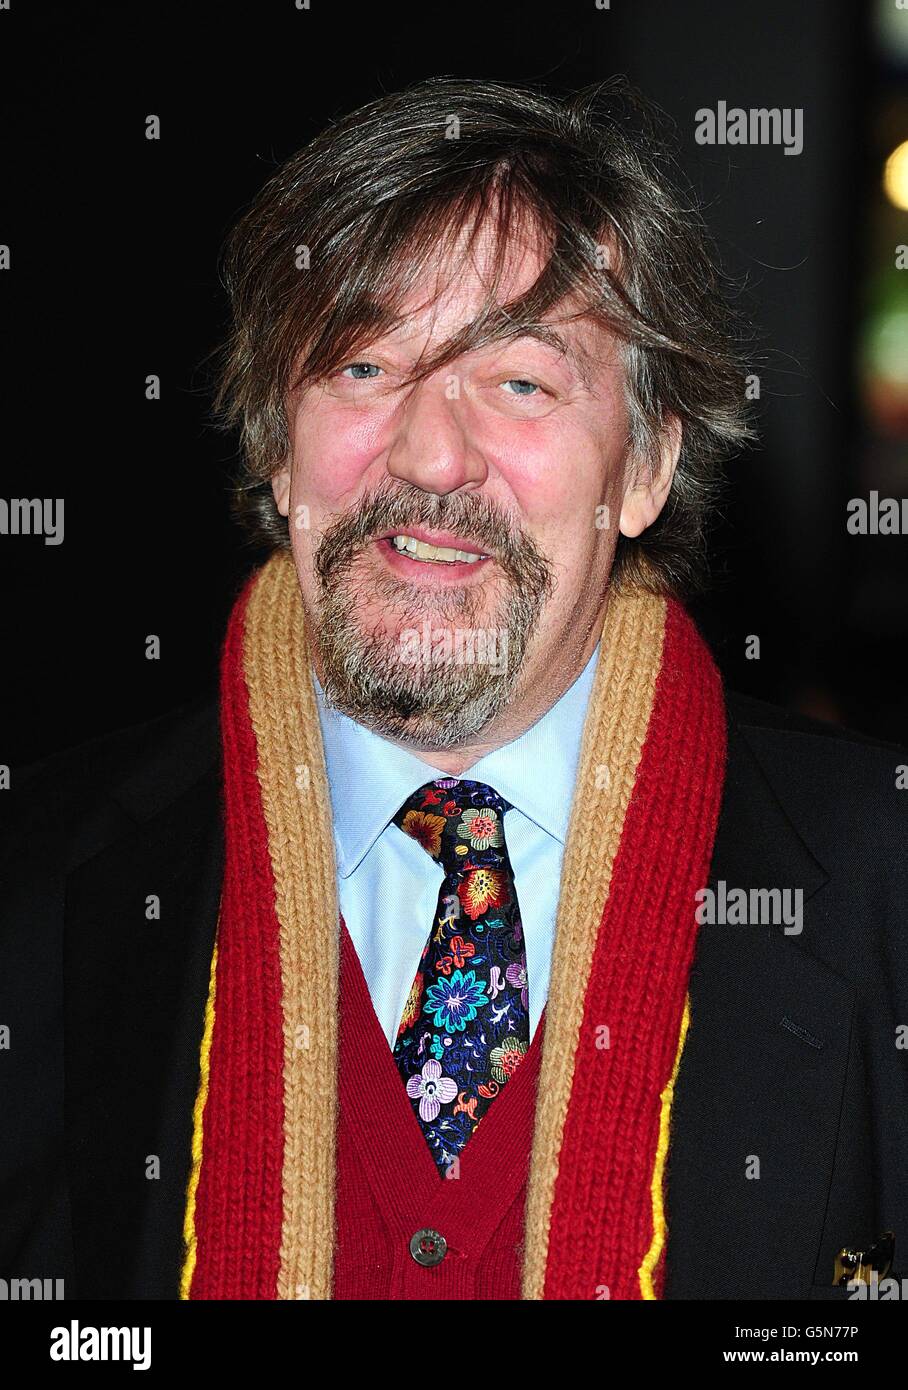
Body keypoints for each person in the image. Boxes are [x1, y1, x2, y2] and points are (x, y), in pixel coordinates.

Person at [2, 76, 905, 1302]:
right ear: (275, 443)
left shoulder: (877, 882)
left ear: (642, 466)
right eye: (364, 365)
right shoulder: (43, 884)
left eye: (520, 382)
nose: (431, 454)